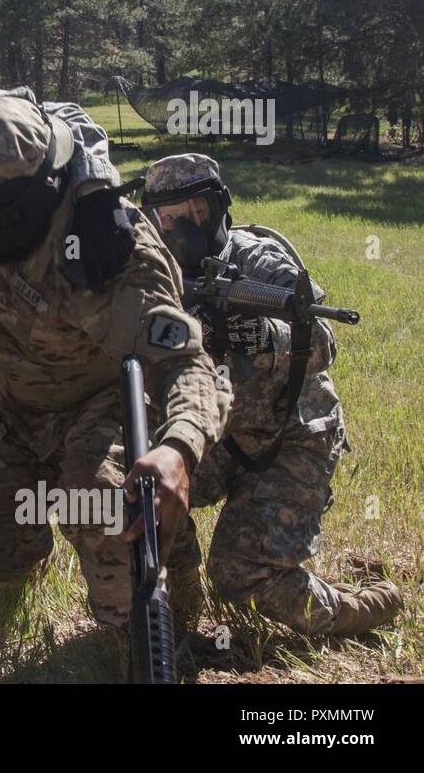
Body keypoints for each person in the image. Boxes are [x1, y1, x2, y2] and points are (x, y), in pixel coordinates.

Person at [0, 96, 231, 671]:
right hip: (11, 411)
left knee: (97, 503)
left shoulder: (108, 247)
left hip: (98, 404)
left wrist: (178, 448)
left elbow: (187, 363)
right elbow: (31, 106)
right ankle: (33, 545)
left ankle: (161, 602)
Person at [144, 153, 402, 638]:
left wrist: (266, 336)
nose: (180, 226)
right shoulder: (158, 275)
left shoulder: (257, 259)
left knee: (241, 573)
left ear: (217, 208)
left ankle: (362, 608)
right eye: (167, 216)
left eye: (194, 210)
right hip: (219, 439)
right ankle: (180, 598)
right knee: (142, 494)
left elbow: (325, 340)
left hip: (293, 439)